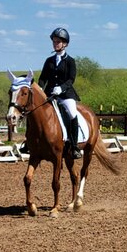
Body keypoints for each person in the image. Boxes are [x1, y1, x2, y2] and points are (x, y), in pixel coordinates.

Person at [39, 27, 81, 159]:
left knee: (72, 113)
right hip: (50, 94)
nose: (55, 44)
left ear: (65, 44)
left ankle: (74, 146)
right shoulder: (49, 61)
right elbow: (43, 78)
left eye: (58, 42)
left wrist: (61, 88)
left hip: (66, 94)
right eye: (54, 41)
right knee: (36, 110)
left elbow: (71, 79)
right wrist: (40, 89)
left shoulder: (70, 61)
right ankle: (29, 143)